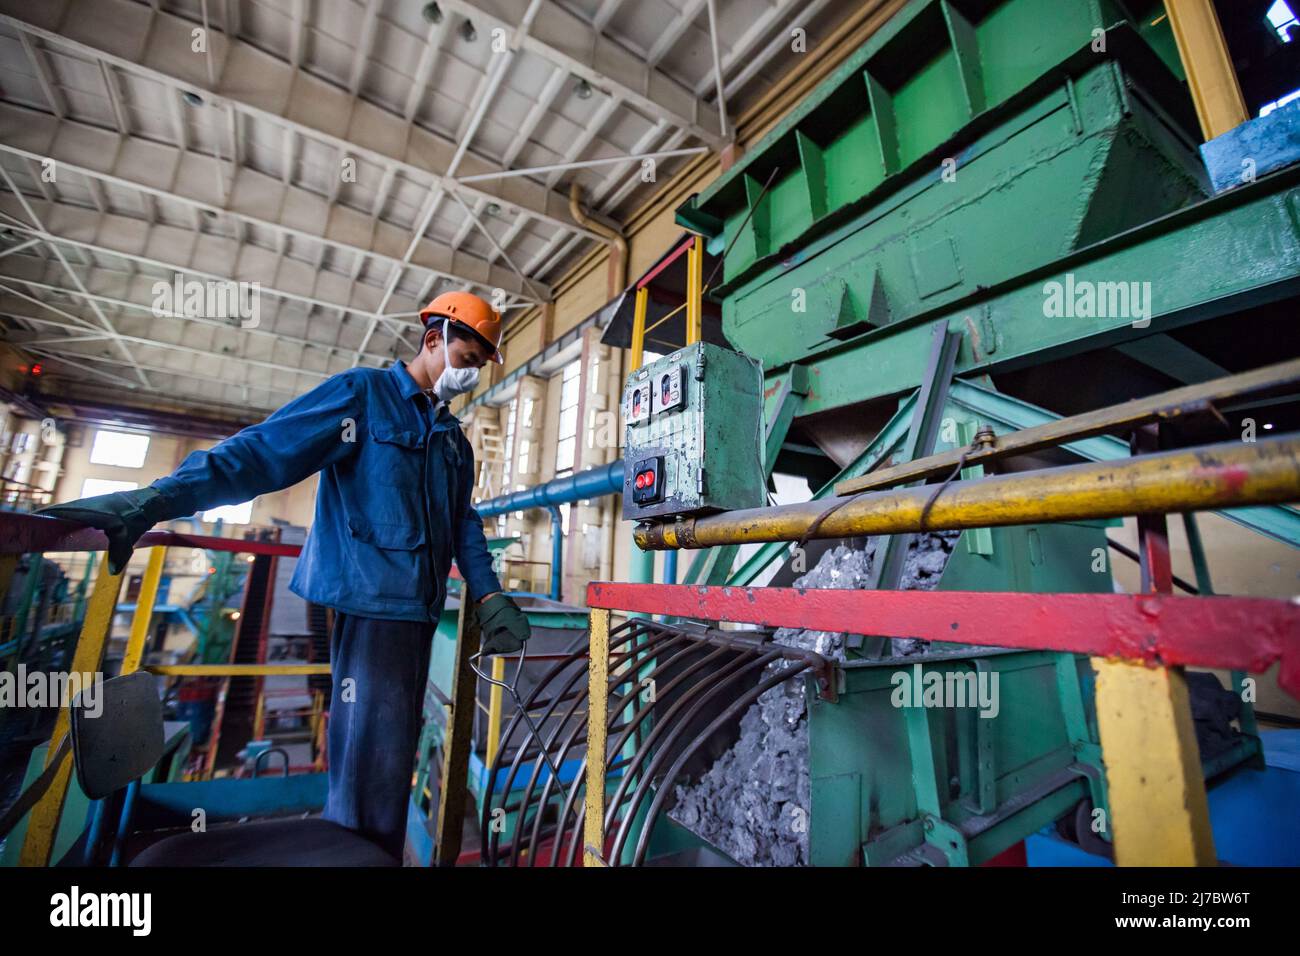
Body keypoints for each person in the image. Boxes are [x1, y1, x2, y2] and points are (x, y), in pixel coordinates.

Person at [37, 291, 531, 860]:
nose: (468, 377)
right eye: (467, 361)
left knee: (389, 760)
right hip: (371, 608)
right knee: (373, 764)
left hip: (416, 614)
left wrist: (489, 593)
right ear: (433, 340)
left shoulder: (452, 441)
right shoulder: (363, 397)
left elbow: (462, 521)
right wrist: (156, 500)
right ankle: (362, 857)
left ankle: (364, 852)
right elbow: (264, 452)